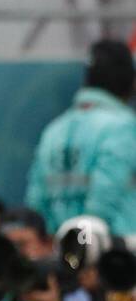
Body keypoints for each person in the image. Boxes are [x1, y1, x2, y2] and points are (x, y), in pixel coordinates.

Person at [26, 39, 136, 237]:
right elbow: (106, 193)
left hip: (62, 256)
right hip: (111, 255)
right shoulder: (124, 126)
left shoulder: (53, 130)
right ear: (130, 81)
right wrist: (86, 243)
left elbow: (36, 202)